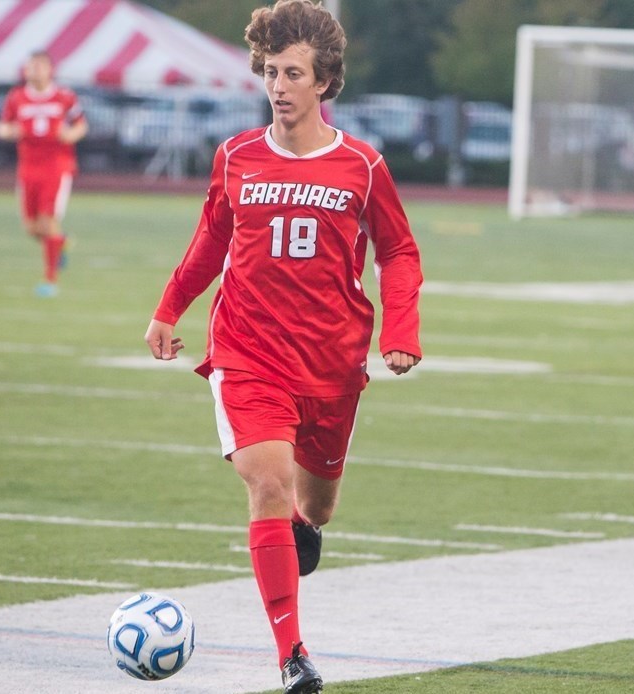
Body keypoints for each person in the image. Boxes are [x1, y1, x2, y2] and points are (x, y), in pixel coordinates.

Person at [141, 2, 422, 692]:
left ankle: (304, 524)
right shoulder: (236, 156)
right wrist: (168, 308)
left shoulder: (362, 165)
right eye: (271, 71)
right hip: (247, 354)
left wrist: (401, 331)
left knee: (315, 507)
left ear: (324, 82)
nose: (279, 85)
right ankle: (293, 654)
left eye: (294, 73)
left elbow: (399, 249)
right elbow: (211, 239)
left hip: (331, 365)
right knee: (268, 482)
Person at [0, 50, 87, 298]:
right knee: (32, 228)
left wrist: (70, 135)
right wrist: (9, 132)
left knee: (48, 221)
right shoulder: (16, 98)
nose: (34, 71)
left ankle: (50, 280)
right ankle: (61, 243)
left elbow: (81, 124)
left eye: (39, 66)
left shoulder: (64, 97)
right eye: (30, 67)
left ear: (50, 69)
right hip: (28, 168)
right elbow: (2, 127)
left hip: (56, 167)